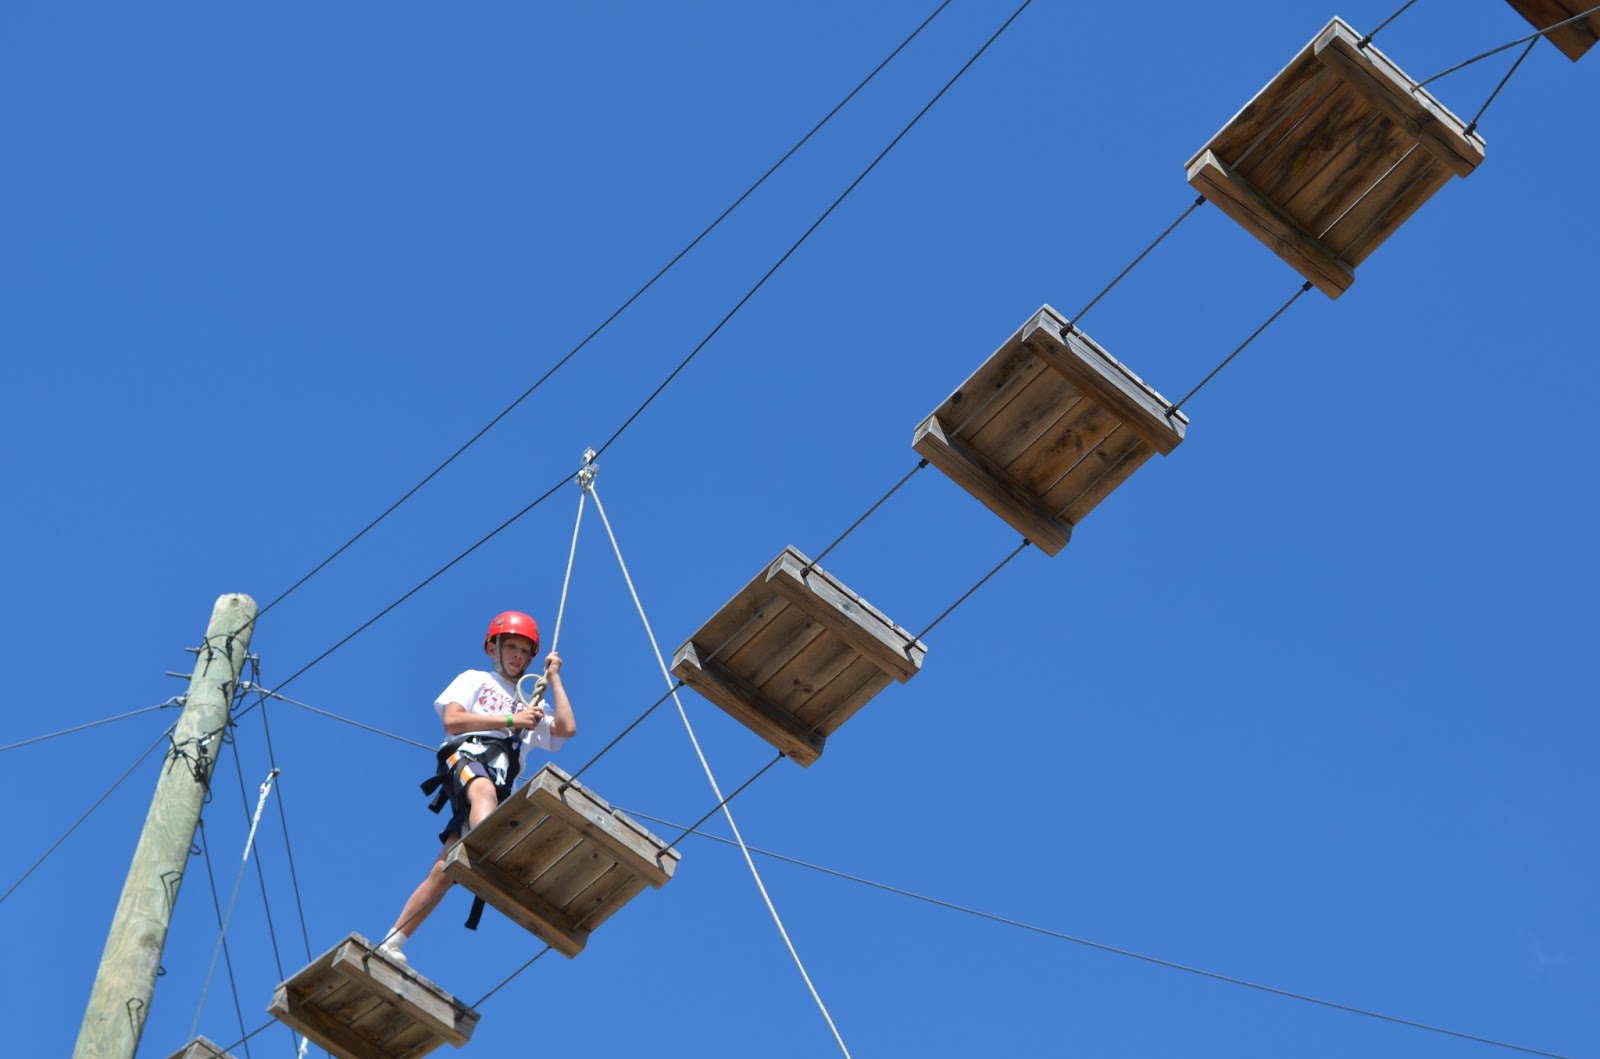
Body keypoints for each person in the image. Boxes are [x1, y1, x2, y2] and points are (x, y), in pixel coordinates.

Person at [377, 610, 577, 965]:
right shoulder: (476, 680)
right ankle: (491, 848)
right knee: (482, 790)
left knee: (443, 872)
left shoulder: (532, 703)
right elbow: (453, 720)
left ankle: (393, 940)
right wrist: (511, 720)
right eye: (511, 646)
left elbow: (566, 729)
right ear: (492, 648)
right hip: (466, 760)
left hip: (498, 786)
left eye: (525, 651)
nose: (518, 655)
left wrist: (554, 678)